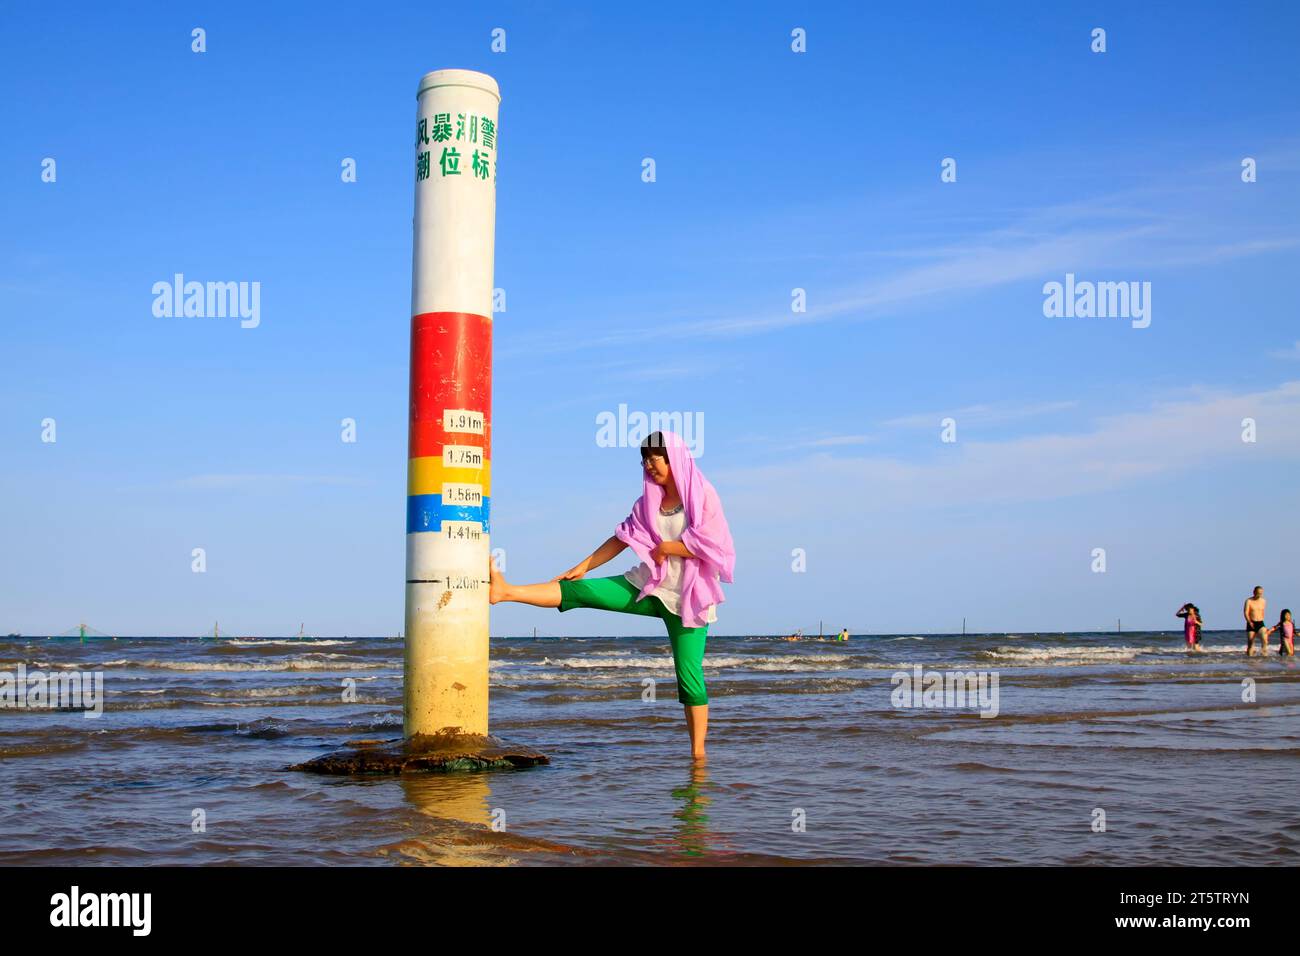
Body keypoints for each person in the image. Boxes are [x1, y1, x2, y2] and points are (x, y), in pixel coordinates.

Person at [488, 430, 735, 759]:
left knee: (689, 677)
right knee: (579, 590)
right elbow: (621, 537)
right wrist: (584, 565)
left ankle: (698, 756)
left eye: (654, 458)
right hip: (647, 586)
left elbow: (714, 544)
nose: (649, 465)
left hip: (688, 598)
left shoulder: (702, 495)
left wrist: (668, 546)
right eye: (644, 459)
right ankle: (505, 591)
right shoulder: (647, 502)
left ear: (673, 457)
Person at [1243, 586, 1268, 656]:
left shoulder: (1263, 601)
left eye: (1261, 593)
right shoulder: (1248, 601)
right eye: (1258, 593)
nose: (1259, 595)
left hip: (1260, 622)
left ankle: (1264, 655)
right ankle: (1250, 659)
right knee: (1251, 643)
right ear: (1254, 592)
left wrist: (1262, 618)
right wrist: (1249, 621)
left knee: (1265, 639)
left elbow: (1262, 611)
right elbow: (1245, 612)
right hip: (1251, 622)